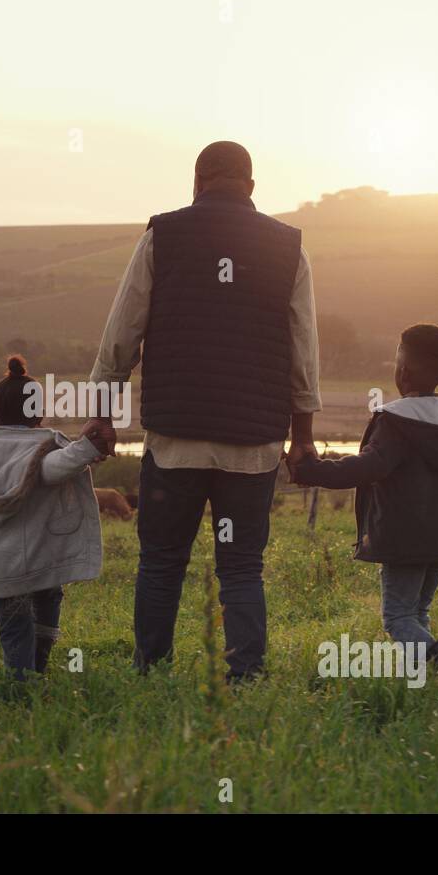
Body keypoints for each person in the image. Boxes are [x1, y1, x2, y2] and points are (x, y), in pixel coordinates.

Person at [89, 141, 321, 682]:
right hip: (254, 443)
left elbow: (121, 333)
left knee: (162, 563)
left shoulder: (162, 236)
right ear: (252, 187)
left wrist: (103, 414)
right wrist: (303, 434)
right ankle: (246, 680)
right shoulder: (289, 248)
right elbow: (302, 345)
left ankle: (150, 673)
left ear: (197, 181)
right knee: (241, 568)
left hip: (176, 440)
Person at [292, 323, 438, 677]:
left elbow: (366, 467)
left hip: (405, 538)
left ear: (402, 371)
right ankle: (424, 683)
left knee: (397, 618)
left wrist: (311, 470)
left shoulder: (396, 421)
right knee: (418, 612)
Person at [0, 356, 110, 681]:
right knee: (46, 615)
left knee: (14, 631)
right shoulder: (46, 450)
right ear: (40, 415)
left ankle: (21, 686)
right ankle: (37, 673)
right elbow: (55, 468)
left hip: (2, 568)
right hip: (45, 562)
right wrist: (89, 447)